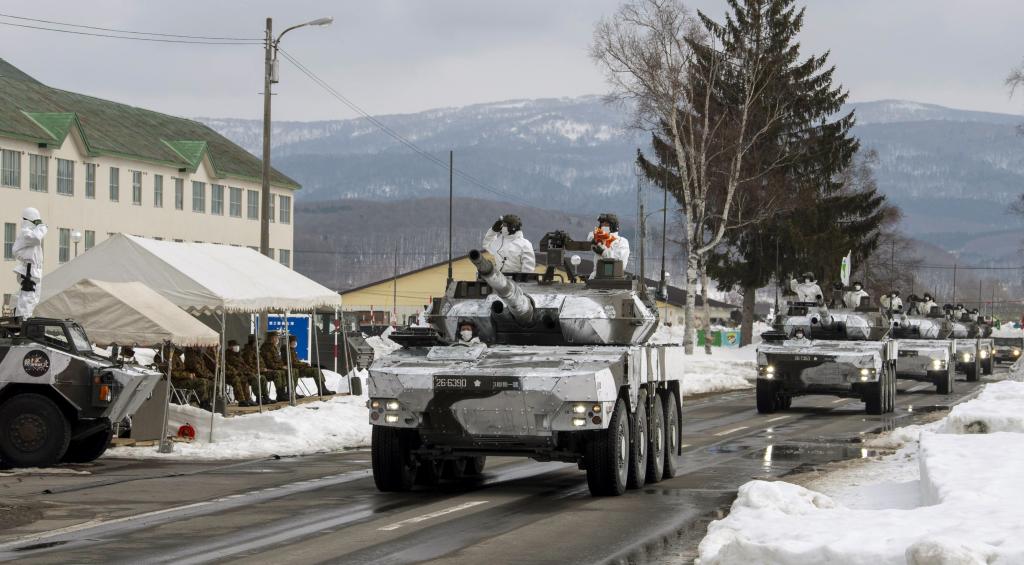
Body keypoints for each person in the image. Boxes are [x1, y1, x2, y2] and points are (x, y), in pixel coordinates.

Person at [12, 207, 47, 320]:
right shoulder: (26, 233)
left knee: (34, 297)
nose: (38, 224)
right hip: (29, 269)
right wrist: (41, 227)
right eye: (37, 222)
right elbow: (36, 238)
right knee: (28, 296)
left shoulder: (30, 232)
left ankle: (26, 318)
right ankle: (22, 320)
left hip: (35, 269)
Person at [260, 331, 292, 401]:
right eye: (276, 337)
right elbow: (269, 363)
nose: (277, 339)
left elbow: (278, 360)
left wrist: (283, 366)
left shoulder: (273, 347)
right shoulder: (266, 347)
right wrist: (280, 367)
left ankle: (284, 393)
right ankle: (280, 394)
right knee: (278, 373)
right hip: (268, 369)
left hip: (274, 368)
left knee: (284, 371)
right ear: (271, 338)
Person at [240, 334, 272, 403]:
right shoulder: (248, 352)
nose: (258, 343)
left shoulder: (255, 351)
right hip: (251, 372)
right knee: (258, 378)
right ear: (253, 342)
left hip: (259, 371)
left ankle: (265, 396)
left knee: (262, 377)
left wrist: (264, 368)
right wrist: (260, 369)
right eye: (257, 341)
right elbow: (249, 365)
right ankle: (258, 397)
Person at [225, 339, 255, 407]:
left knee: (246, 378)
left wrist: (250, 371)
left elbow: (244, 365)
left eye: (237, 345)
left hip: (240, 373)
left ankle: (248, 398)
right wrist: (238, 372)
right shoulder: (228, 356)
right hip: (230, 375)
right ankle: (241, 400)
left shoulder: (238, 355)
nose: (237, 347)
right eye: (235, 346)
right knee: (238, 379)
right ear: (230, 347)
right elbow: (230, 367)